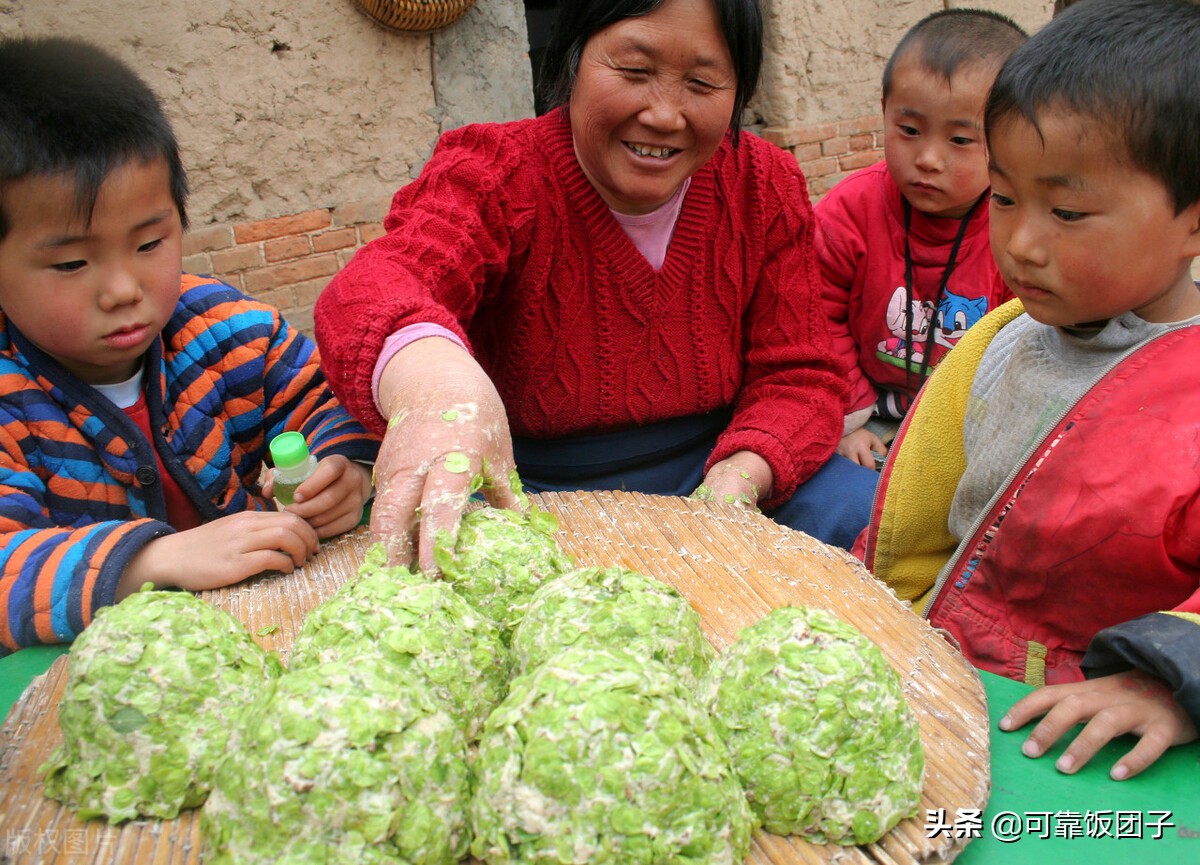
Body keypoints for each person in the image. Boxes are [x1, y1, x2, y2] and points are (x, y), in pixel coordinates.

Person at [314, 0, 878, 569]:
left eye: (702, 82)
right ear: (573, 59)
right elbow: (380, 285)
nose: (663, 115)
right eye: (634, 72)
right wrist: (437, 384)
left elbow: (800, 375)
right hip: (527, 482)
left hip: (719, 462)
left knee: (861, 516)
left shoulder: (763, 185)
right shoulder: (498, 172)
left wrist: (739, 479)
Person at [857, 0, 1200, 780]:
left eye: (1068, 210)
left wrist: (1171, 680)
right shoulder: (999, 342)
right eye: (1005, 199)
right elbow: (918, 526)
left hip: (1087, 746)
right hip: (947, 680)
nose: (1020, 243)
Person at [0, 37, 379, 655]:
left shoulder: (226, 331)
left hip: (275, 631)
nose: (124, 290)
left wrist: (346, 468)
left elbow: (330, 398)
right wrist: (151, 560)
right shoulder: (11, 396)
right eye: (71, 263)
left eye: (149, 245)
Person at [816, 10, 1025, 469]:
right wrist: (848, 421)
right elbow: (817, 315)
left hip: (970, 415)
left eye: (961, 140)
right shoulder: (850, 210)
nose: (928, 158)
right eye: (909, 131)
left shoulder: (1017, 226)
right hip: (869, 402)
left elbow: (1022, 340)